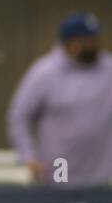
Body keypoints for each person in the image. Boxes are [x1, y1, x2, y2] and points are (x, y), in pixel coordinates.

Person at [7, 13, 112, 186]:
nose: (93, 45)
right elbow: (18, 116)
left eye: (95, 40)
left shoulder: (108, 69)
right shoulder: (45, 72)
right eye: (86, 41)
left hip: (99, 169)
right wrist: (28, 156)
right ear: (69, 43)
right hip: (59, 165)